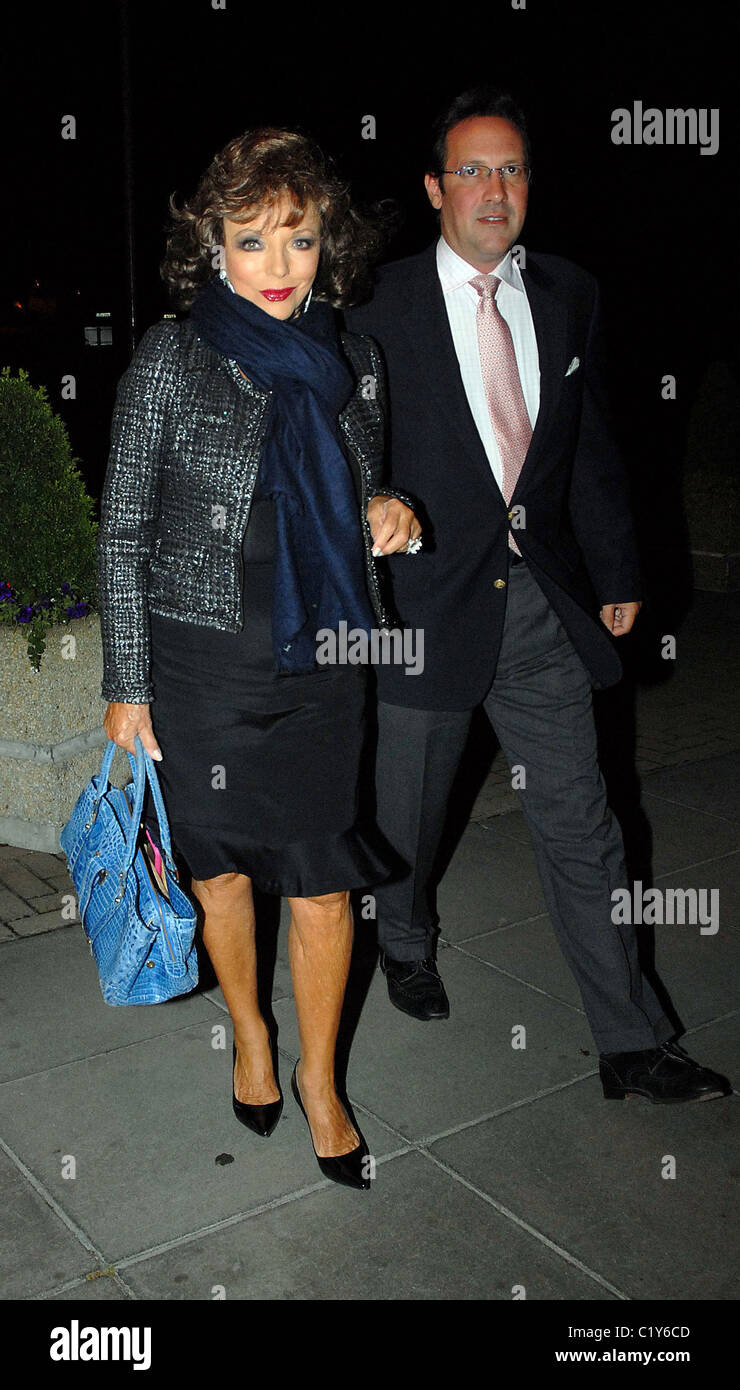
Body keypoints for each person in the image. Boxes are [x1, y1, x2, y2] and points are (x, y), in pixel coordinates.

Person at [346, 88, 731, 1103]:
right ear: (432, 188)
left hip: (537, 609)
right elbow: (337, 445)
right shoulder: (375, 305)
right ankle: (405, 936)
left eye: (509, 169)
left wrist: (612, 569)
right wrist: (370, 502)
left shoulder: (566, 293)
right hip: (422, 612)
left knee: (582, 820)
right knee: (407, 819)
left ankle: (629, 1037)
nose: (491, 189)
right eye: (469, 170)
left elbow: (587, 443)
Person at [98, 127, 421, 1189]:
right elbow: (124, 526)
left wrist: (391, 512)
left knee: (325, 886)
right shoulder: (171, 356)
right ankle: (247, 1029)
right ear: (213, 247)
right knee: (223, 872)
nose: (280, 268)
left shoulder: (353, 360)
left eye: (300, 239)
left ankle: (320, 1078)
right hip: (203, 668)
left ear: (329, 242)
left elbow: (368, 486)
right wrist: (125, 682)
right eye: (253, 241)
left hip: (325, 658)